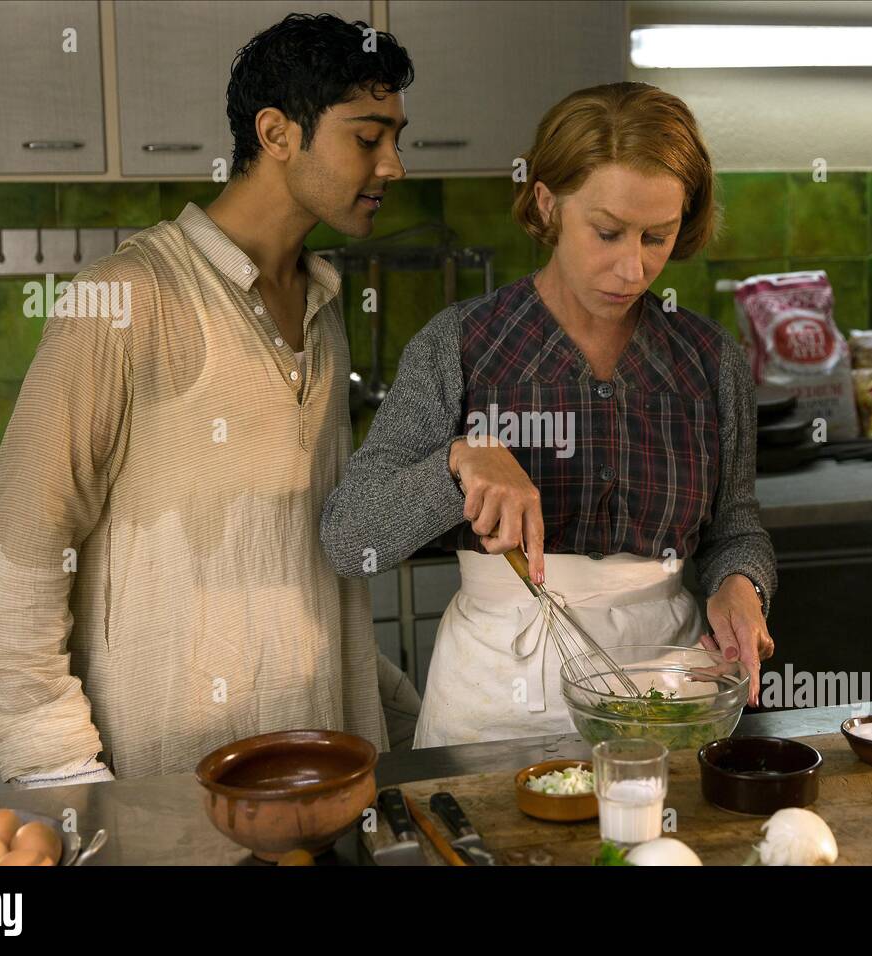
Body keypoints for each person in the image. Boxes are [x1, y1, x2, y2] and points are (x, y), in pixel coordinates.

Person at [0, 13, 418, 787]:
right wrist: (59, 768)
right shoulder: (123, 298)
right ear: (277, 133)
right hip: (166, 778)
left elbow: (295, 550)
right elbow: (24, 543)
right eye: (368, 137)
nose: (394, 165)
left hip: (321, 766)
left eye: (397, 138)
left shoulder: (325, 304)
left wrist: (388, 703)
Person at [322, 82, 776, 748]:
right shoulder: (460, 346)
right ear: (547, 203)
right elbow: (347, 538)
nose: (632, 266)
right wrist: (458, 465)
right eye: (607, 231)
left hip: (667, 693)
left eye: (658, 236)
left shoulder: (711, 361)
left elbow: (735, 524)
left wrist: (741, 583)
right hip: (491, 709)